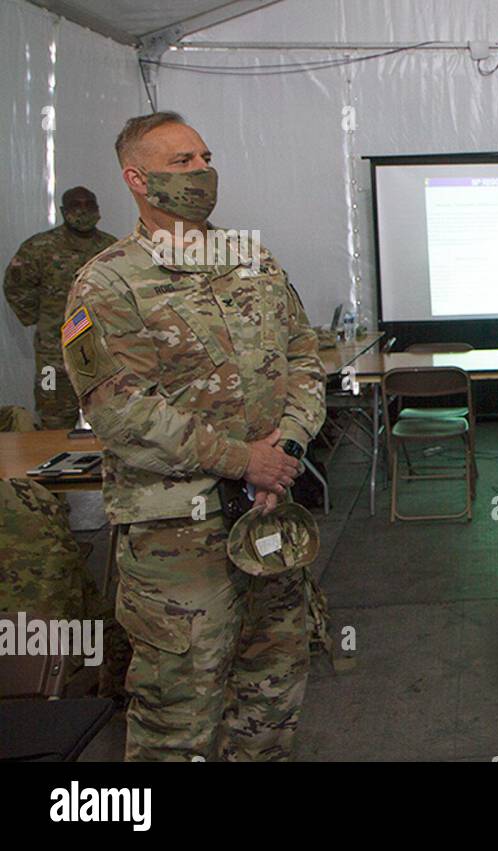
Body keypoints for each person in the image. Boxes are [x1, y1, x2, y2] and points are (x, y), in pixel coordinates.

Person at [62, 111, 325, 761]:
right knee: (176, 713)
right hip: (180, 543)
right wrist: (244, 461)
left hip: (269, 524)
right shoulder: (107, 281)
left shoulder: (251, 257)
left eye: (205, 158)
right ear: (136, 178)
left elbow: (305, 359)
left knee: (271, 696)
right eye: (181, 162)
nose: (202, 171)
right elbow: (121, 410)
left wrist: (286, 450)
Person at [5, 187, 115, 428]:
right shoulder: (39, 247)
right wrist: (40, 318)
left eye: (89, 205)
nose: (83, 211)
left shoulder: (111, 248)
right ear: (64, 211)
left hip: (100, 347)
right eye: (77, 205)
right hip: (52, 352)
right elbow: (15, 285)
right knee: (51, 407)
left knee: (108, 412)